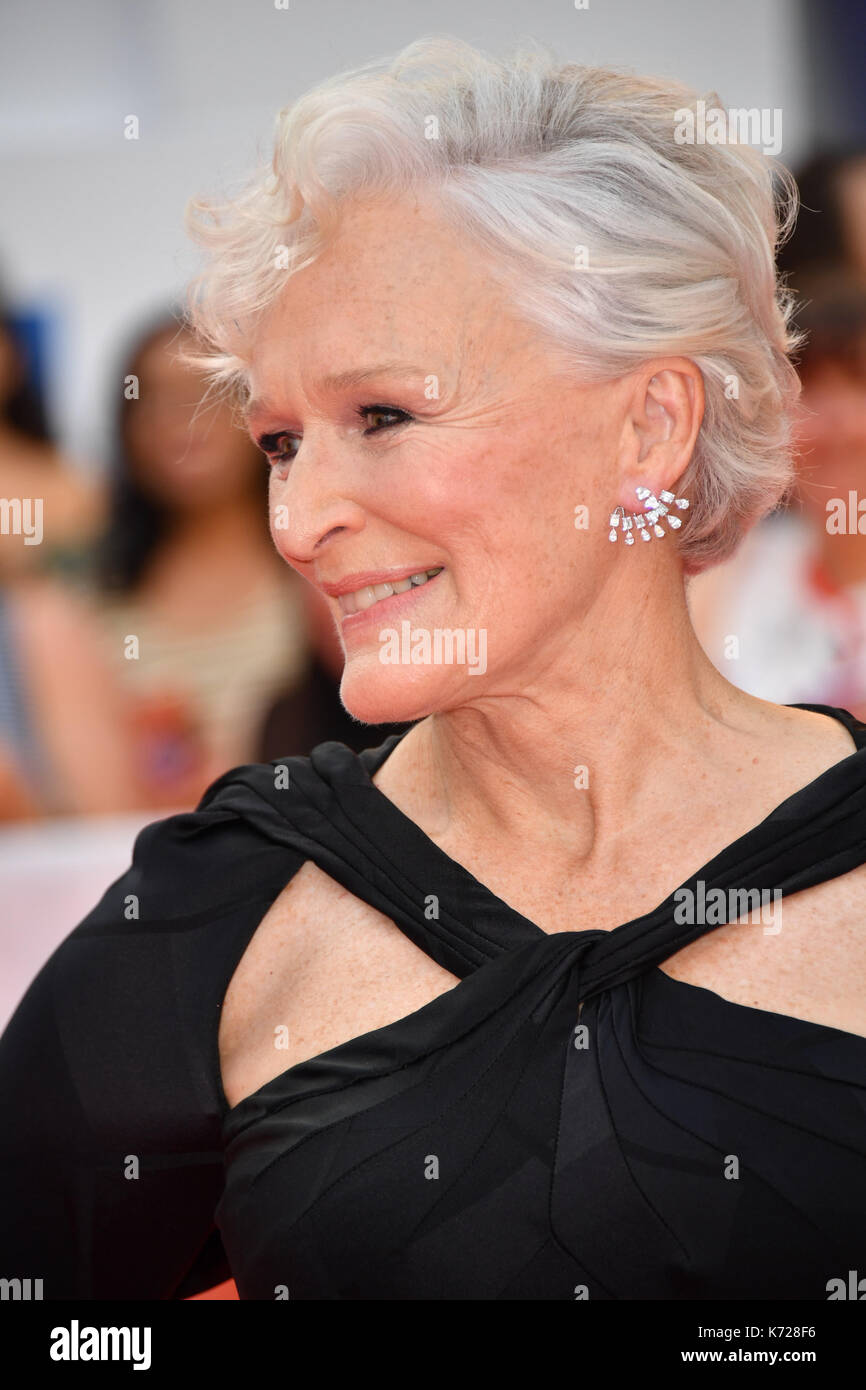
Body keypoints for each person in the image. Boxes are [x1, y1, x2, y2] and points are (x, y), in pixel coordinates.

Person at [1, 36, 864, 1300]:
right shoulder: (219, 908)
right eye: (283, 442)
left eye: (384, 416)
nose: (297, 519)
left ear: (649, 425)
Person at [90, 311, 311, 809]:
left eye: (202, 393)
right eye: (151, 401)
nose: (180, 422)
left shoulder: (319, 568)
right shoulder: (91, 591)